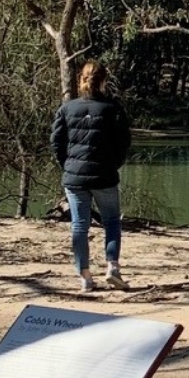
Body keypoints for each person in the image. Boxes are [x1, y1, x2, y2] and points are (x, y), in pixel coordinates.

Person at [50, 60, 133, 293]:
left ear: (81, 80)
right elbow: (124, 142)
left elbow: (56, 142)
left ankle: (85, 276)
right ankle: (112, 267)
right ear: (104, 81)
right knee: (112, 222)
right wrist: (114, 164)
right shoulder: (113, 108)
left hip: (74, 178)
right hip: (104, 175)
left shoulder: (67, 109)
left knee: (79, 226)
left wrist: (66, 165)